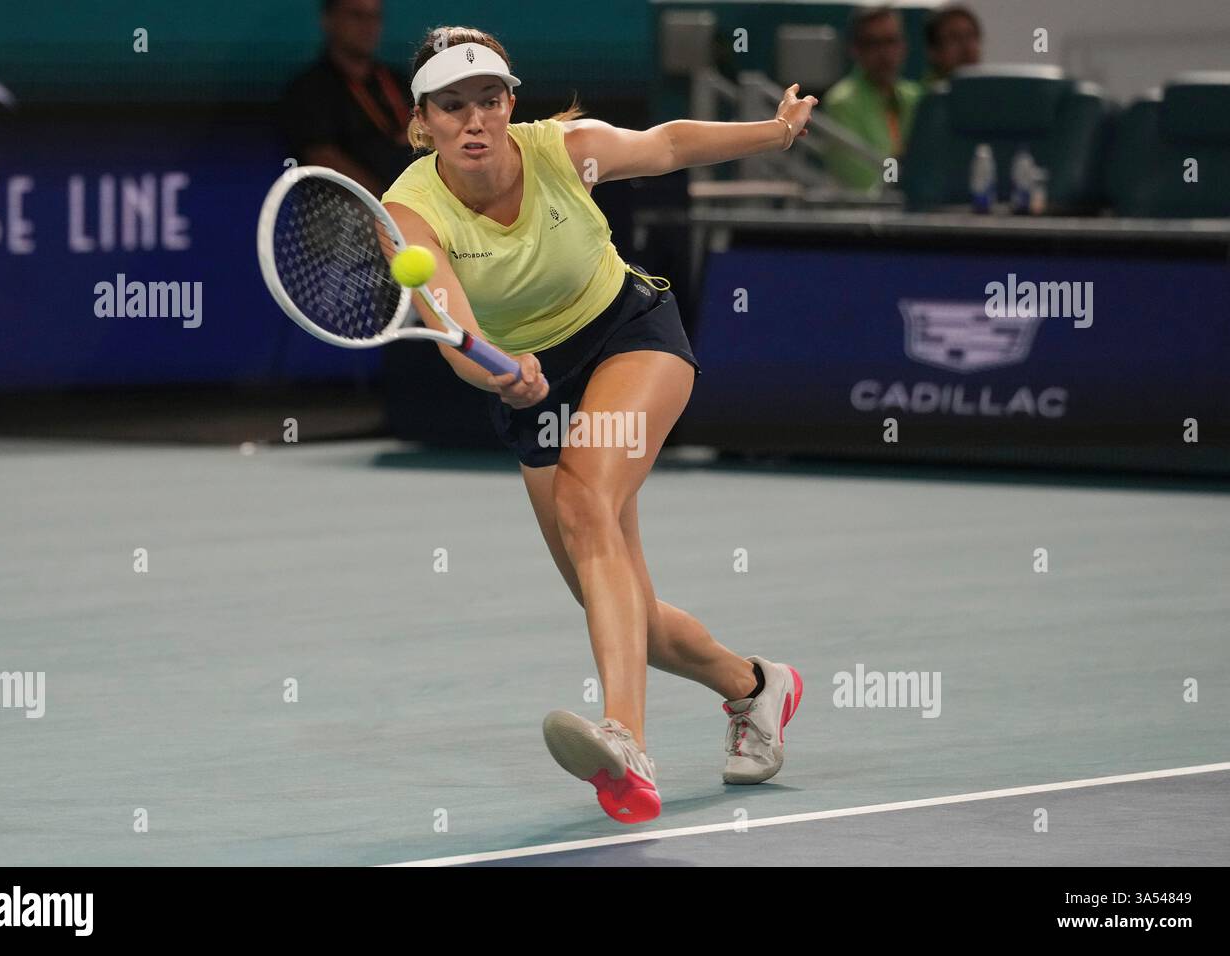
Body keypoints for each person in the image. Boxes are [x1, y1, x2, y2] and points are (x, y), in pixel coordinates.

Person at [381, 26, 813, 824]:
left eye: (488, 100)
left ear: (511, 104)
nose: (474, 121)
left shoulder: (563, 150)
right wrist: (504, 375)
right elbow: (455, 331)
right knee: (627, 616)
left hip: (629, 336)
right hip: (528, 384)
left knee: (586, 504)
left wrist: (777, 130)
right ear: (422, 122)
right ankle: (756, 687)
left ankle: (627, 739)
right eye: (452, 105)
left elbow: (667, 143)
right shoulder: (410, 214)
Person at [279, 0, 413, 198]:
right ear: (328, 20)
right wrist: (385, 202)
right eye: (357, 16)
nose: (368, 26)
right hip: (346, 206)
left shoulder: (398, 81)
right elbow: (323, 158)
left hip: (411, 200)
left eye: (374, 17)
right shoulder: (309, 88)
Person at [821, 4, 923, 192]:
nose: (884, 54)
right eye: (873, 43)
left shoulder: (916, 97)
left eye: (891, 41)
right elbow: (863, 181)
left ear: (904, 46)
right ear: (855, 50)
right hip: (865, 215)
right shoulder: (841, 103)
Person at [924, 4, 983, 87]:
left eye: (970, 36)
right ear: (933, 52)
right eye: (954, 38)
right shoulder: (922, 97)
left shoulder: (993, 92)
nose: (966, 47)